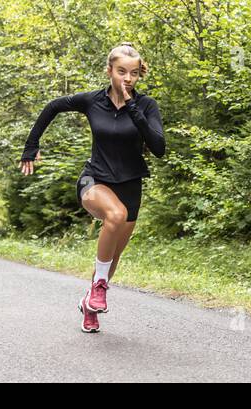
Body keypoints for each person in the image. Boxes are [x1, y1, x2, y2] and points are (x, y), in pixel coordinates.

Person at [19, 42, 165, 333]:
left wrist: (133, 108)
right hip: (93, 180)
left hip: (130, 185)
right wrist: (31, 146)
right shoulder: (92, 101)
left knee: (112, 256)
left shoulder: (146, 106)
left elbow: (159, 148)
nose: (128, 79)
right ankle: (98, 287)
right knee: (114, 215)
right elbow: (53, 106)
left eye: (134, 73)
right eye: (121, 71)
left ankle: (91, 303)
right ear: (109, 70)